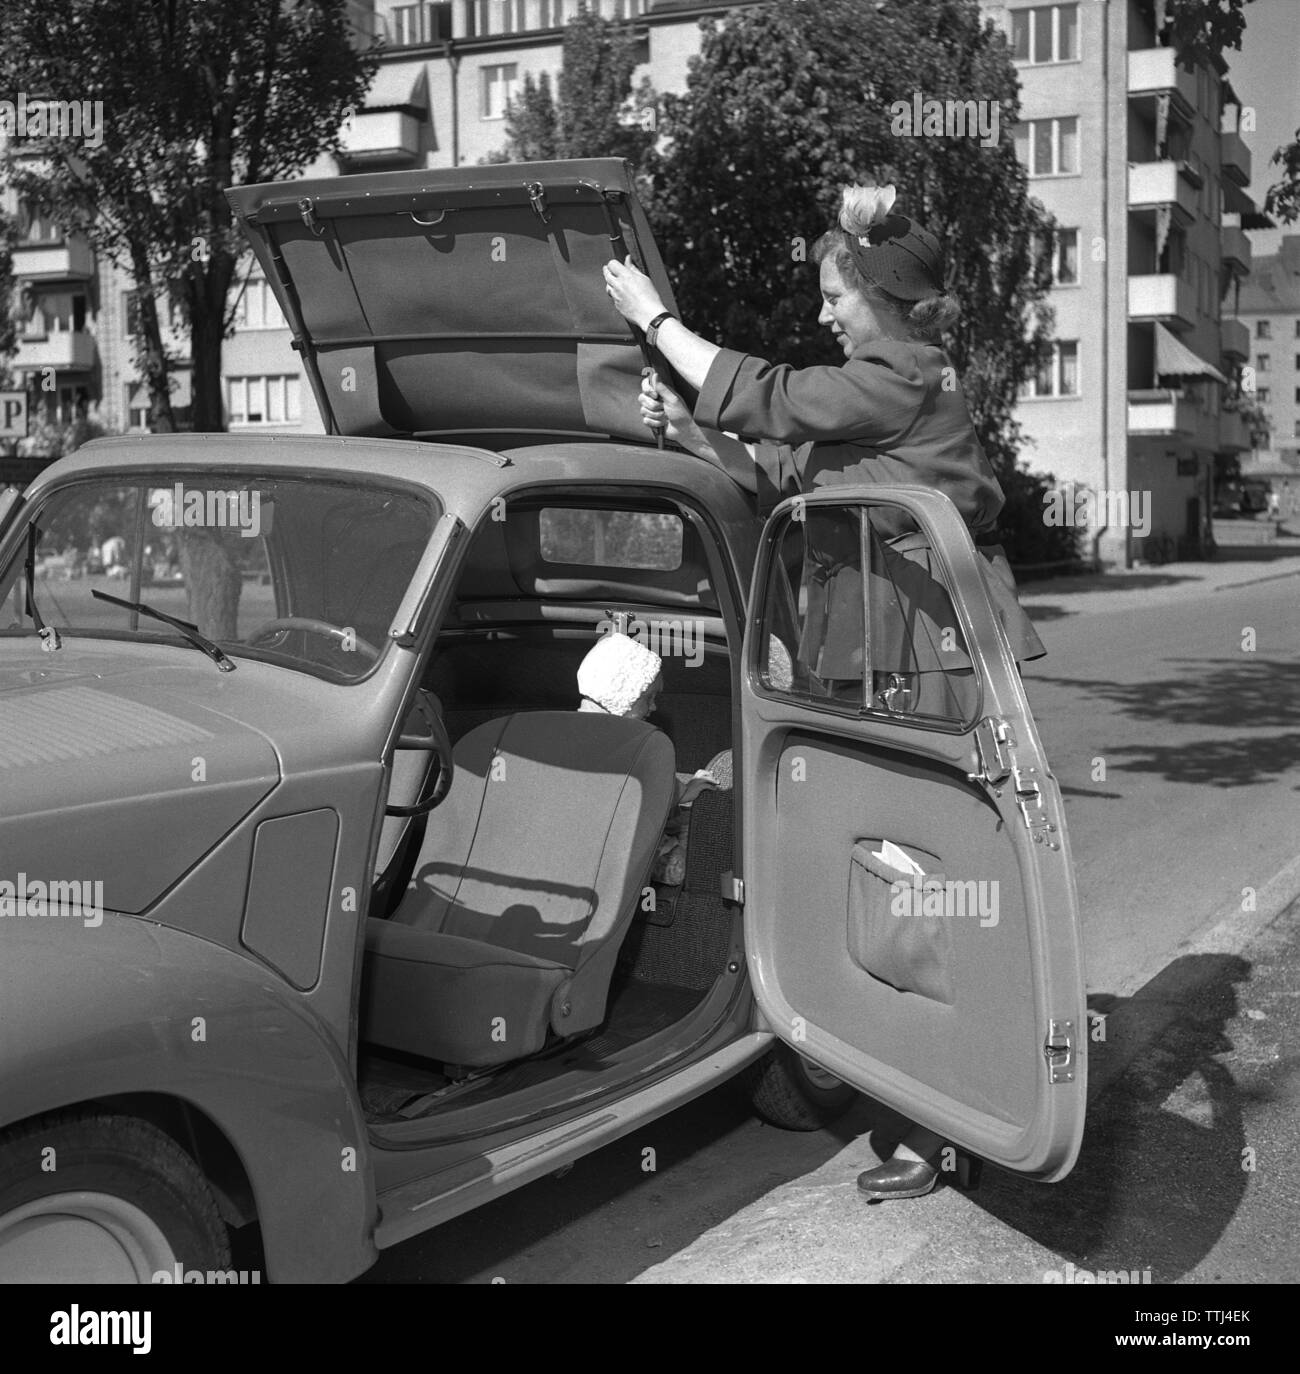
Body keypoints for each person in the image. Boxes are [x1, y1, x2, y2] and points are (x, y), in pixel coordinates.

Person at [604, 181, 1029, 1201]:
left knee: (920, 892)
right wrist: (687, 431)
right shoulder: (869, 397)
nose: (824, 311)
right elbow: (776, 466)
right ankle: (903, 1079)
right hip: (867, 663)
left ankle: (952, 1114)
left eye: (835, 293)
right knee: (879, 885)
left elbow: (770, 401)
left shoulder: (900, 376)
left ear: (880, 299)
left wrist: (655, 322)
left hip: (924, 661)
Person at [576, 631, 720, 885]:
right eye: (648, 698)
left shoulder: (574, 731)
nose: (653, 707)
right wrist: (687, 791)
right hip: (618, 852)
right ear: (623, 693)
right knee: (702, 839)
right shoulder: (624, 745)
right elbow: (654, 788)